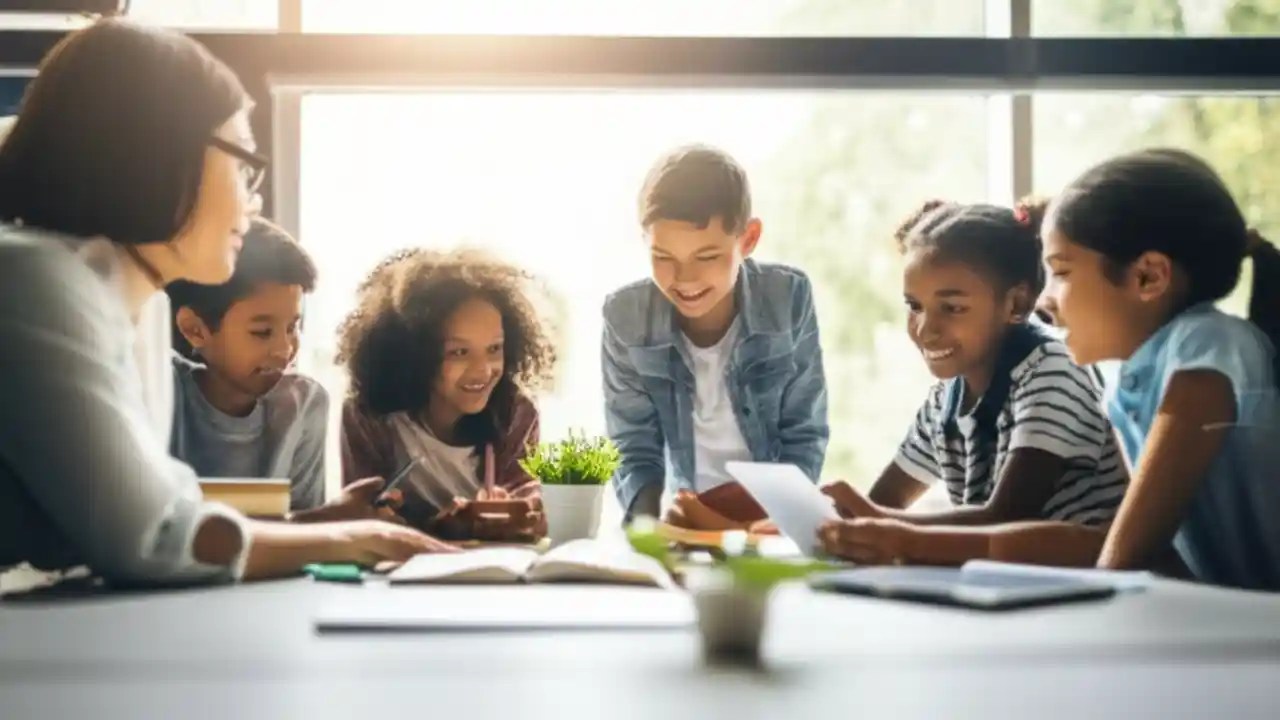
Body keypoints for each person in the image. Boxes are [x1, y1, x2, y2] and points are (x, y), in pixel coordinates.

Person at [0, 20, 453, 587]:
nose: (252, 200)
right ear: (162, 153)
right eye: (242, 165)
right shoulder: (31, 277)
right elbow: (155, 535)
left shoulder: (143, 308)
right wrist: (355, 539)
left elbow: (156, 515)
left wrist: (326, 529)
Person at [1035, 148, 1280, 589]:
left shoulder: (1206, 345)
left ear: (1149, 277)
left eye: (1062, 272)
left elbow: (1125, 557)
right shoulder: (1128, 383)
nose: (1043, 301)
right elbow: (1147, 550)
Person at [603, 144, 829, 523]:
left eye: (707, 257)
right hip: (685, 518)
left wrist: (769, 523)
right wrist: (649, 528)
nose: (685, 279)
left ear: (748, 239)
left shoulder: (788, 297)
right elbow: (633, 445)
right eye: (663, 257)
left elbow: (803, 432)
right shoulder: (625, 318)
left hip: (770, 517)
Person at [338, 248, 556, 542]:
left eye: (494, 349)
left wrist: (521, 512)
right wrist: (438, 528)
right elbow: (361, 519)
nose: (483, 370)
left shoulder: (516, 412)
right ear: (414, 352)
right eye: (459, 352)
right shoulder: (369, 416)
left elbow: (527, 502)